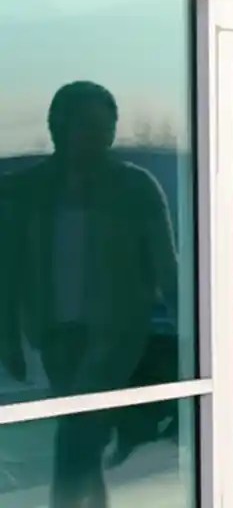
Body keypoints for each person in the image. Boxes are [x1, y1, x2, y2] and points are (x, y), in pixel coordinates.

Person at [0, 81, 178, 508]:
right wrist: (9, 340)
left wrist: (192, 332)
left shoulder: (135, 187)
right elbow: (8, 271)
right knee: (85, 436)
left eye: (106, 127)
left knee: (75, 436)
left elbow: (165, 267)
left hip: (116, 336)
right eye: (87, 126)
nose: (99, 137)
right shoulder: (26, 191)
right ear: (58, 128)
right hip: (55, 333)